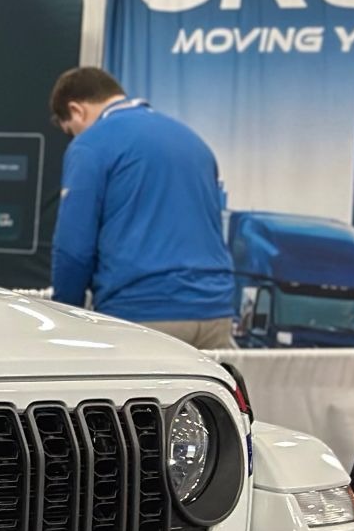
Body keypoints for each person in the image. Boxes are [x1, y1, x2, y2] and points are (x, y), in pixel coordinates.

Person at [48, 66, 235, 349]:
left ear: (76, 110)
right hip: (215, 313)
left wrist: (64, 319)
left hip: (142, 314)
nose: (74, 138)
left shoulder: (92, 145)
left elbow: (73, 249)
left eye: (70, 131)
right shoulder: (192, 140)